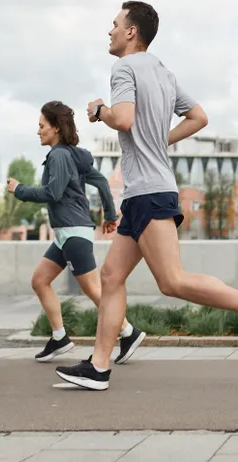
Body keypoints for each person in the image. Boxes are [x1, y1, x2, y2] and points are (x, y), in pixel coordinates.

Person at [55, 1, 238, 391]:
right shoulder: (163, 72)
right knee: (111, 276)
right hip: (147, 191)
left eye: (114, 24)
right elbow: (199, 118)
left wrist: (98, 110)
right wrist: (161, 140)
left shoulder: (124, 68)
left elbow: (122, 118)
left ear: (131, 32)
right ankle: (99, 366)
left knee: (172, 281)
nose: (109, 30)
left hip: (150, 192)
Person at [8, 101, 146, 363]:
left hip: (73, 232)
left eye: (41, 126)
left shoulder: (59, 156)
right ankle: (60, 336)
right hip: (66, 234)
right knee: (40, 280)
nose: (38, 131)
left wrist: (19, 190)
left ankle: (128, 332)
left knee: (95, 290)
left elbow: (52, 193)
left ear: (56, 128)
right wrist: (110, 215)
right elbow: (102, 182)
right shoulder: (72, 155)